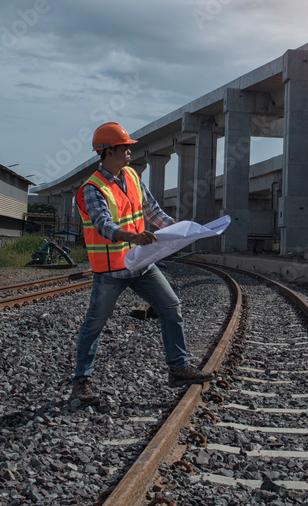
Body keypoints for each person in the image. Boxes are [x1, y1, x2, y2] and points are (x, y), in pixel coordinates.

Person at [70, 122, 213, 405]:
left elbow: (152, 210)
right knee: (94, 324)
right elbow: (104, 226)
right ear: (108, 151)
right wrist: (133, 237)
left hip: (142, 263)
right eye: (125, 148)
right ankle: (81, 383)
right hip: (112, 270)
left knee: (171, 307)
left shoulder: (133, 176)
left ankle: (179, 368)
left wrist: (179, 230)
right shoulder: (92, 189)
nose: (129, 154)